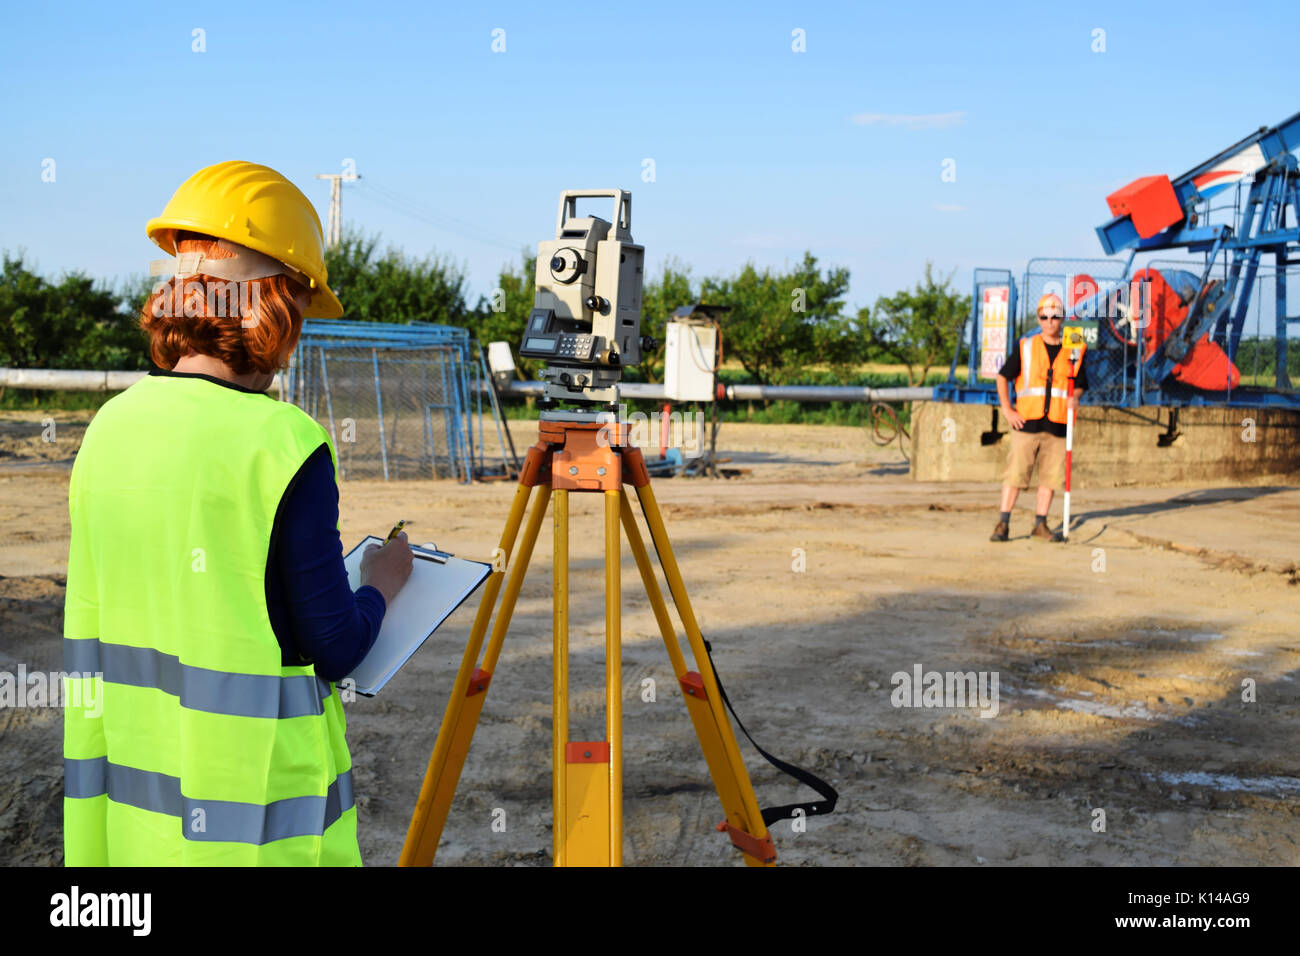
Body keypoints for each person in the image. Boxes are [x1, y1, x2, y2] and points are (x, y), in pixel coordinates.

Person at [62, 161, 413, 865]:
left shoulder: (110, 426)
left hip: (131, 827)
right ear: (276, 308)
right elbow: (336, 643)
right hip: (252, 828)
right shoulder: (283, 443)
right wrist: (383, 583)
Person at [989, 292, 1087, 542]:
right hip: (1027, 423)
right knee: (1015, 474)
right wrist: (1007, 409)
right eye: (1045, 316)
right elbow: (1002, 377)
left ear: (1062, 318)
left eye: (1055, 316)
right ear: (1039, 318)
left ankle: (1040, 525)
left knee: (1051, 478)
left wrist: (1075, 397)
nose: (1050, 321)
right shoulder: (1027, 346)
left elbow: (1081, 382)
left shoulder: (1074, 344)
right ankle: (1003, 523)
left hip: (1058, 425)